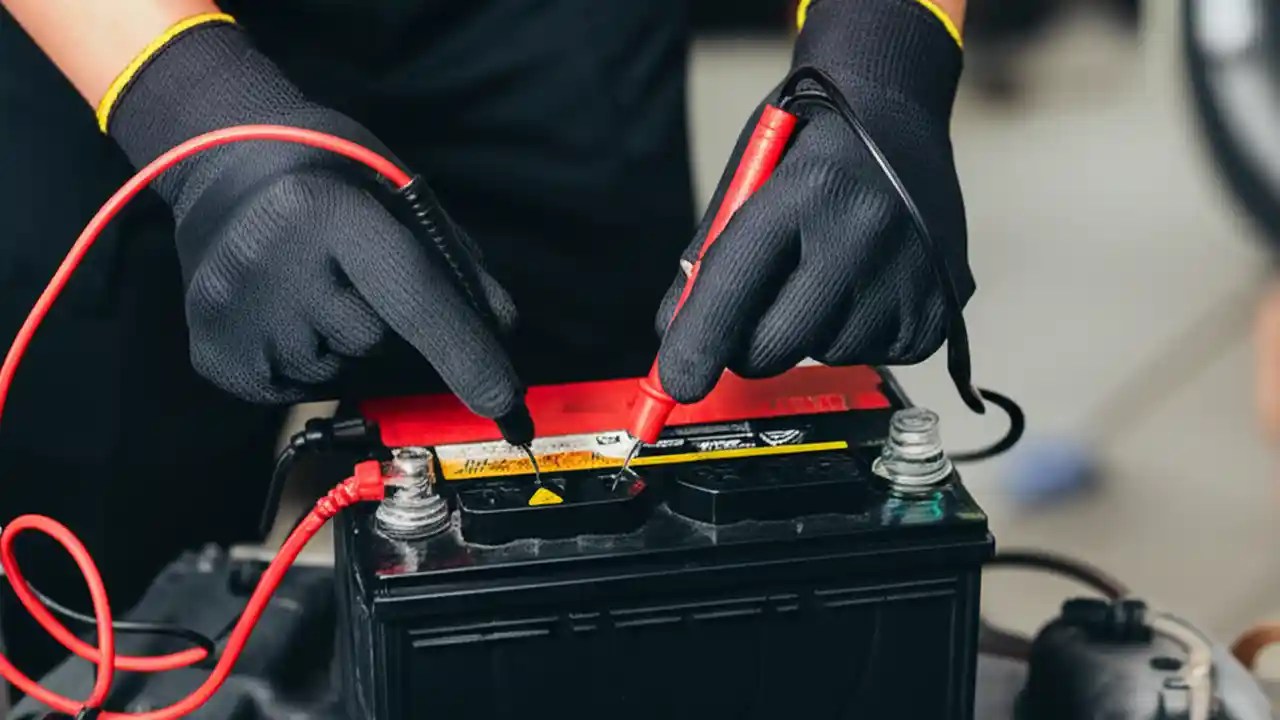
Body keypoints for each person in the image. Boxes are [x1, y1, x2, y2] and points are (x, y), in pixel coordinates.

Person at [0, 0, 972, 683]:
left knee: (590, 584)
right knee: (107, 593)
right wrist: (187, 105)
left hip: (545, 30)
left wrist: (884, 55)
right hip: (115, 40)